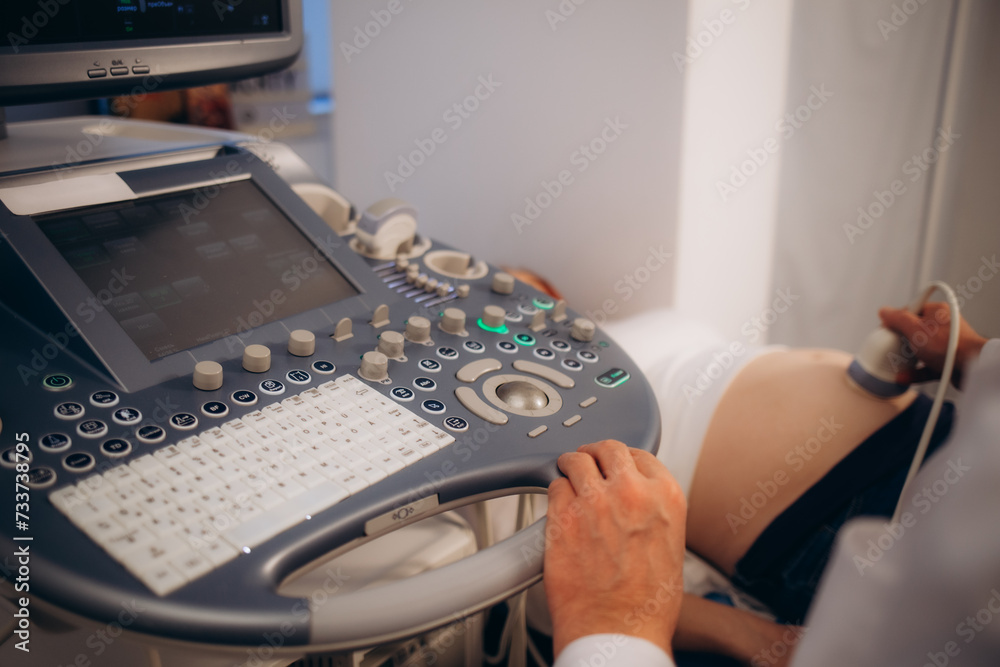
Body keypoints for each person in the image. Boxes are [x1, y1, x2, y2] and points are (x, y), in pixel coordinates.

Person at [544, 303, 997, 666]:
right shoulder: (522, 424)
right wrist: (977, 355)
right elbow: (571, 579)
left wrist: (978, 359)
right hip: (862, 498)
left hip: (927, 459)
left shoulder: (642, 323)